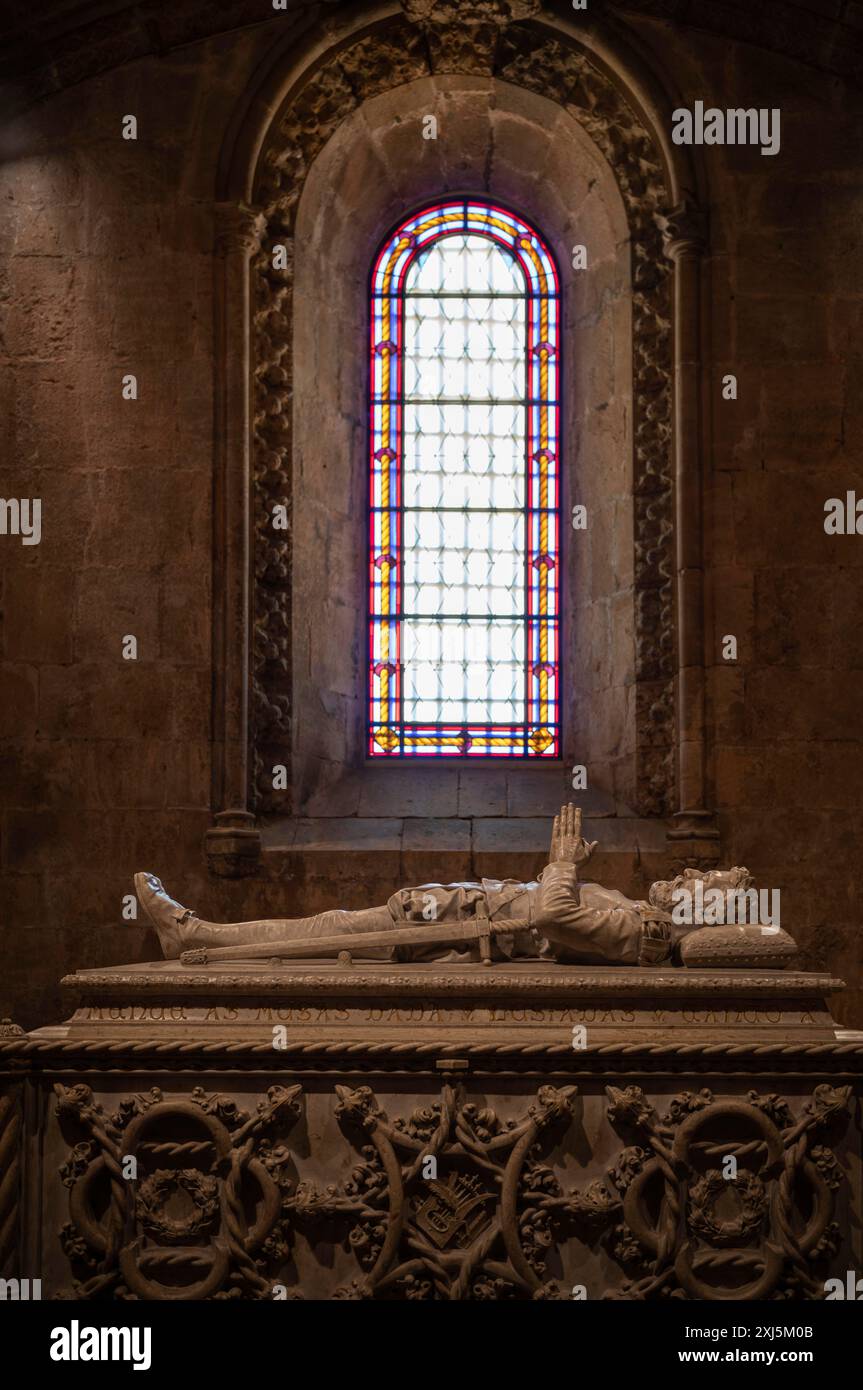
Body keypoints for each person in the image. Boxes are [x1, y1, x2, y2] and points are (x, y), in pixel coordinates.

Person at [135, 805, 725, 968]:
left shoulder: (645, 930)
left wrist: (564, 862)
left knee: (329, 931)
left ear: (698, 913)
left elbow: (550, 918)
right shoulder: (639, 915)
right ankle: (197, 935)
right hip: (462, 911)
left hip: (464, 924)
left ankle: (194, 937)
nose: (683, 877)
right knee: (332, 927)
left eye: (697, 883)